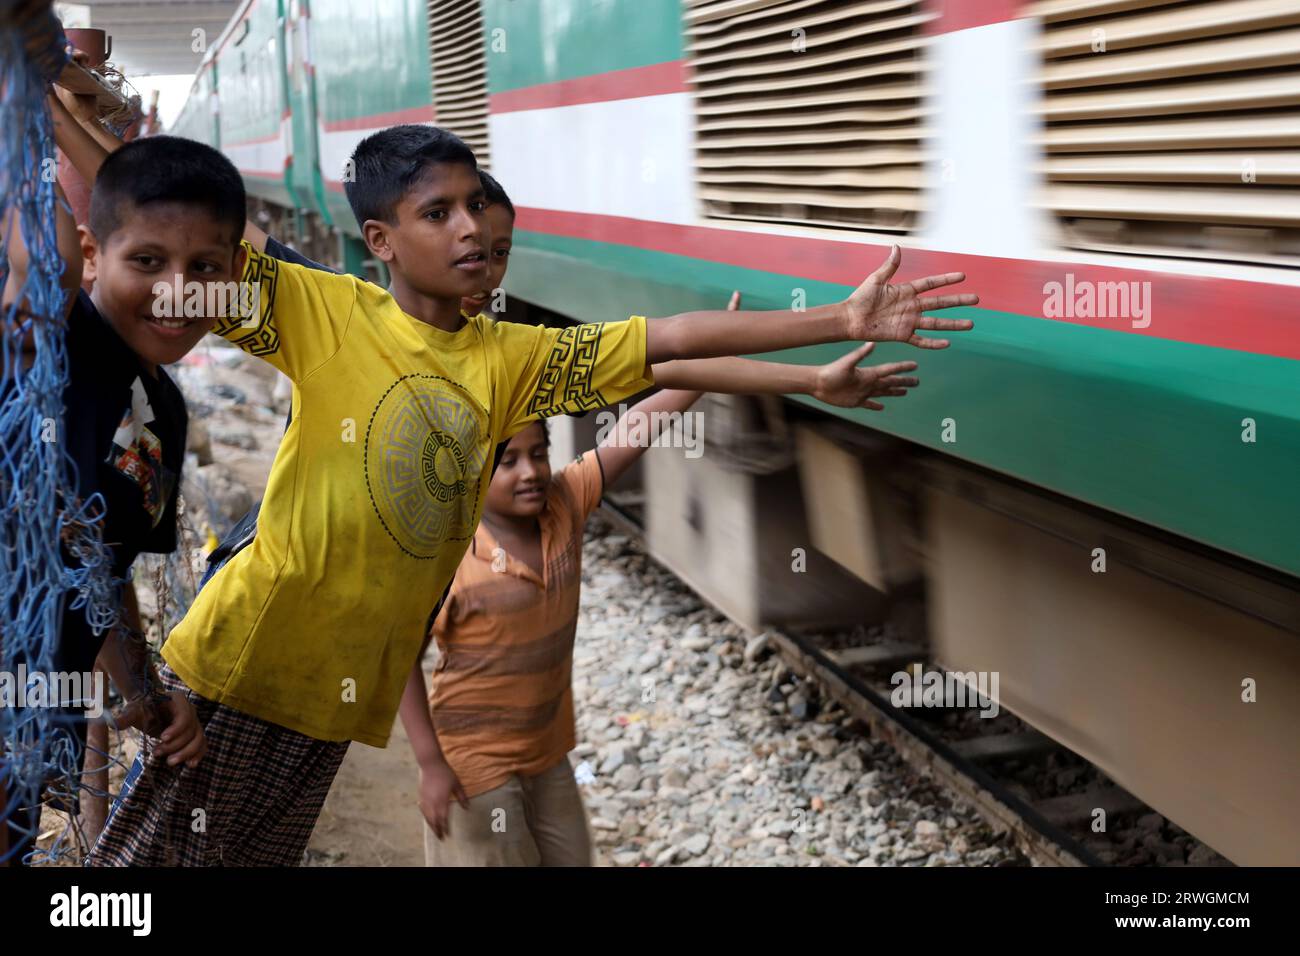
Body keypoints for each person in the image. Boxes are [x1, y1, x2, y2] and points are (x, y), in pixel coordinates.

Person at [85, 122, 974, 866]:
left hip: (332, 702)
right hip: (243, 667)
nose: (470, 227)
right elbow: (161, 242)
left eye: (478, 206)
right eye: (439, 212)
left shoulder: (509, 363)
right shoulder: (326, 312)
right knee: (144, 874)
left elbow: (665, 342)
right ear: (382, 242)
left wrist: (831, 332)